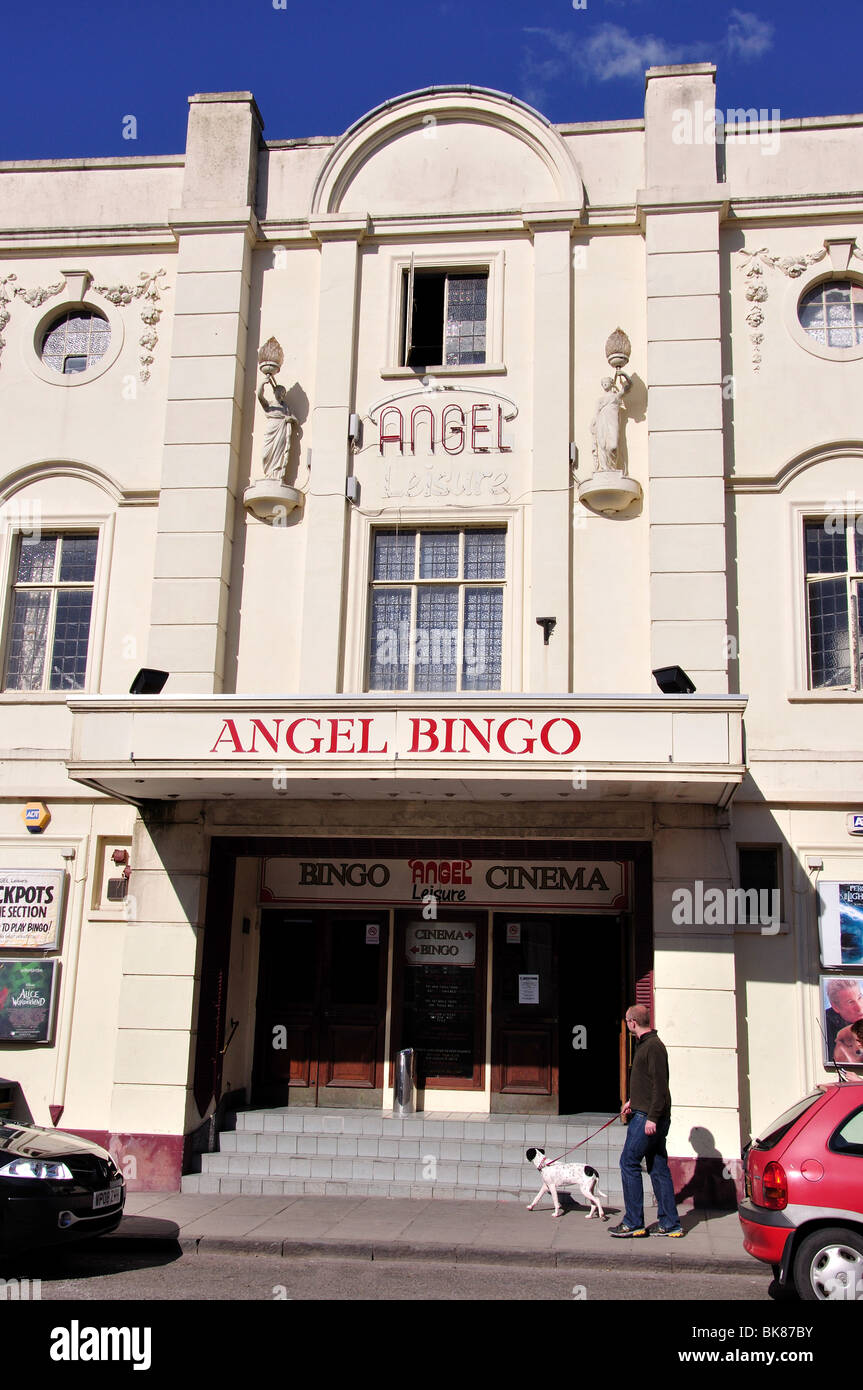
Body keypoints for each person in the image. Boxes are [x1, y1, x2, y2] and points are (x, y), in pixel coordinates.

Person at [609, 1004, 684, 1238]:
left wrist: (652, 1117)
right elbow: (647, 1082)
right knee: (658, 1166)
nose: (627, 1025)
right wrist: (633, 1100)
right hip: (644, 1111)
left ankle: (633, 1222)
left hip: (648, 1118)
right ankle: (670, 1223)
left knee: (628, 1163)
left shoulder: (653, 1047)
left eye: (626, 1021)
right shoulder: (646, 1044)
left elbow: (660, 1087)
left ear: (632, 1022)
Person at [825, 978, 863, 1060]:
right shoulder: (825, 1024)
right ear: (835, 1007)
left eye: (860, 997)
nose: (859, 1008)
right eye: (850, 1002)